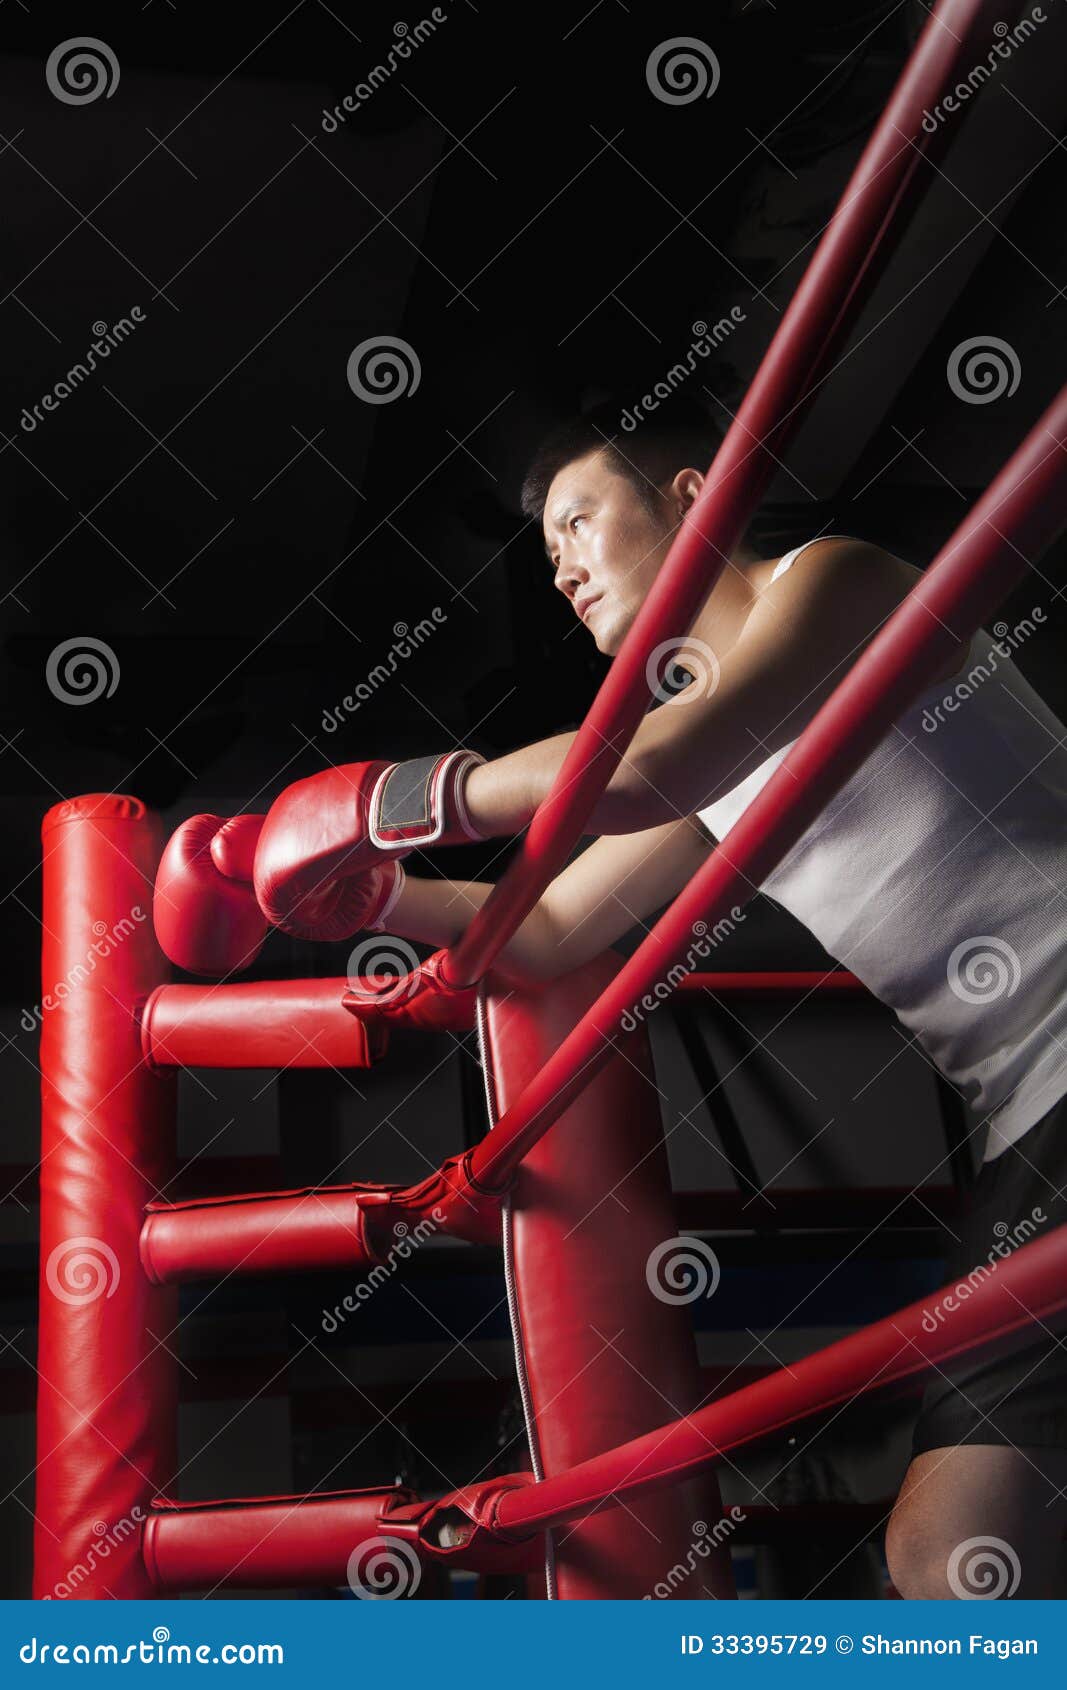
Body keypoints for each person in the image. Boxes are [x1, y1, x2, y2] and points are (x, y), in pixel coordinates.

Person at [164, 396, 1067, 1598]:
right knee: (958, 1558)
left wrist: (392, 795)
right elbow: (541, 930)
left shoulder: (839, 582)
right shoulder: (711, 761)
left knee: (963, 1557)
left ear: (693, 500)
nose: (563, 568)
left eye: (580, 521)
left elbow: (647, 764)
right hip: (1033, 1128)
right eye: (545, 556)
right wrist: (361, 891)